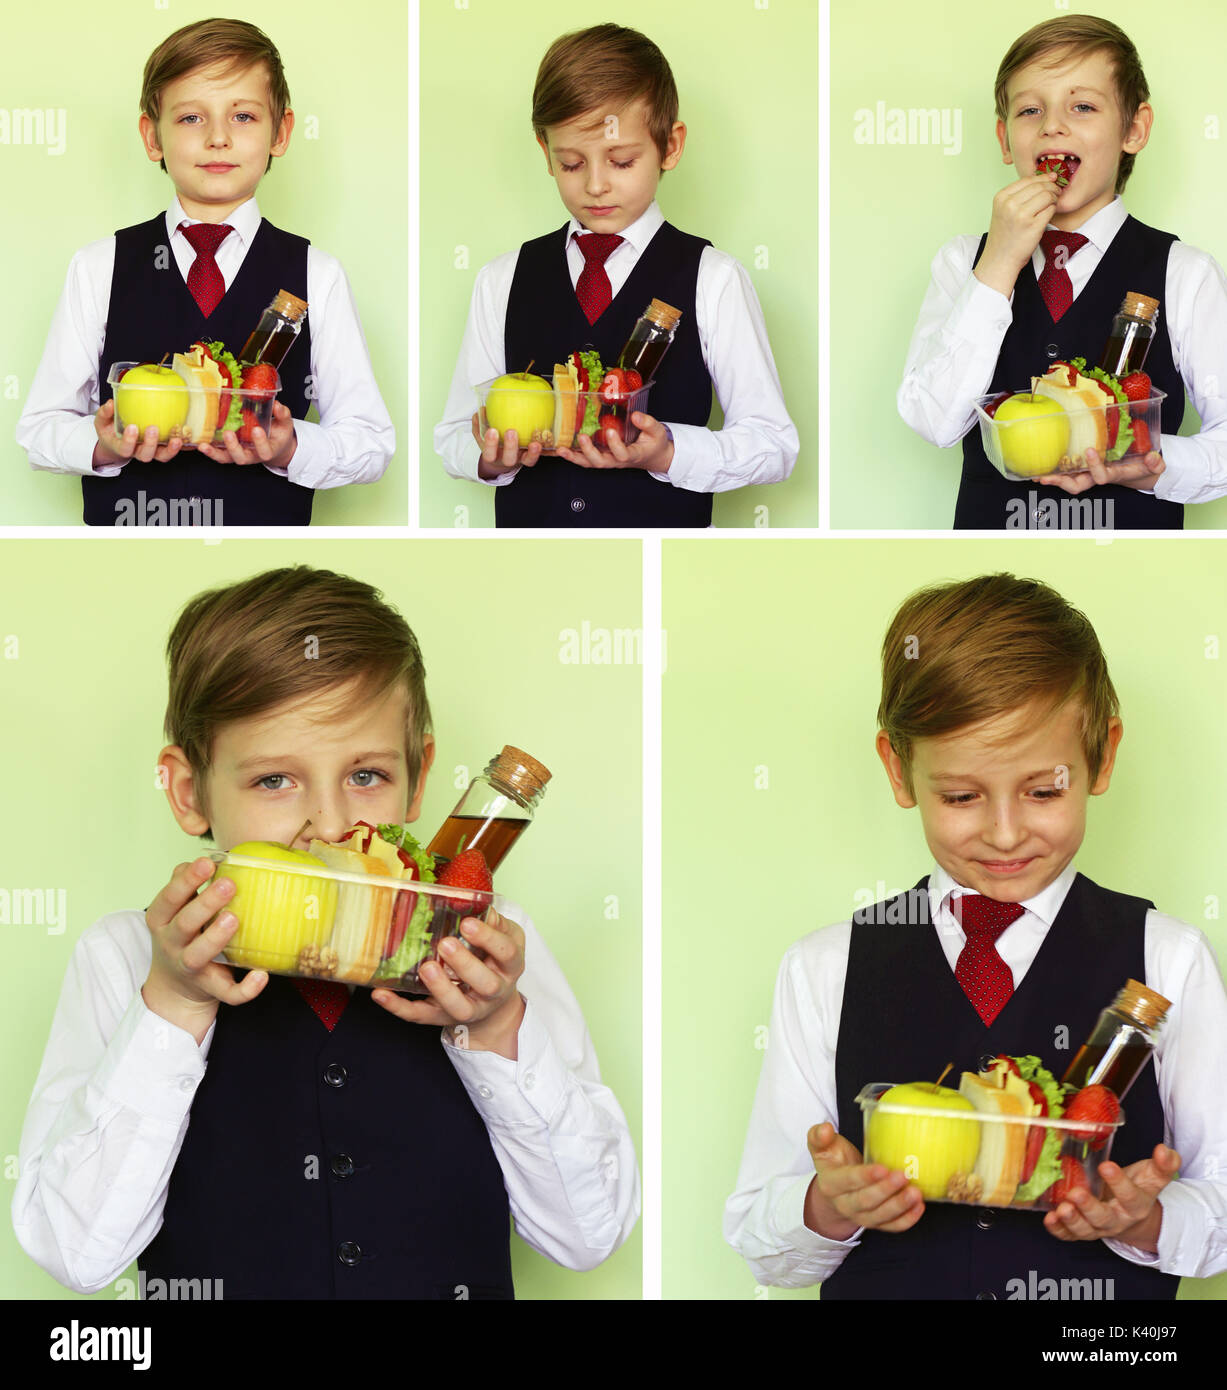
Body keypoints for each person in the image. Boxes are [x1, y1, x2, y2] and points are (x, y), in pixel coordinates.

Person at [12, 567, 638, 1298]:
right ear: (189, 793)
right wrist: (175, 1008)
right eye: (274, 781)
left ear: (418, 772)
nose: (333, 823)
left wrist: (497, 1030)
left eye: (367, 774)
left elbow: (587, 1236)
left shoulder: (492, 949)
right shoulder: (125, 960)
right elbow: (74, 1253)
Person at [725, 573, 1227, 1299]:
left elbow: (1217, 1207)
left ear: (1102, 756)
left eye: (1043, 790)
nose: (1002, 833)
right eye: (960, 797)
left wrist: (1142, 1221)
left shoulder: (1168, 961)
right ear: (898, 770)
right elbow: (763, 1247)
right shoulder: (824, 968)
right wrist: (825, 1207)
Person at [16, 19, 394, 526]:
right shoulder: (98, 265)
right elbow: (40, 430)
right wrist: (103, 444)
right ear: (153, 137)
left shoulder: (317, 274)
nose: (218, 138)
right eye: (191, 118)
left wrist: (288, 447)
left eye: (242, 116)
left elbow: (370, 441)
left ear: (280, 131)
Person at [434, 23, 798, 528]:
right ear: (545, 154)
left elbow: (774, 444)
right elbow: (453, 434)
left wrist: (667, 452)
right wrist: (491, 459)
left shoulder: (714, 279)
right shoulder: (502, 278)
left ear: (670, 147)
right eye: (571, 163)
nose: (596, 185)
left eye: (622, 160)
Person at [898, 15, 1227, 530]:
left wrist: (1144, 465)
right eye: (1031, 109)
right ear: (1006, 141)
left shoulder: (1187, 273)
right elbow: (934, 422)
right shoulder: (964, 260)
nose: (1053, 125)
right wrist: (1001, 262)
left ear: (1133, 129)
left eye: (1083, 106)